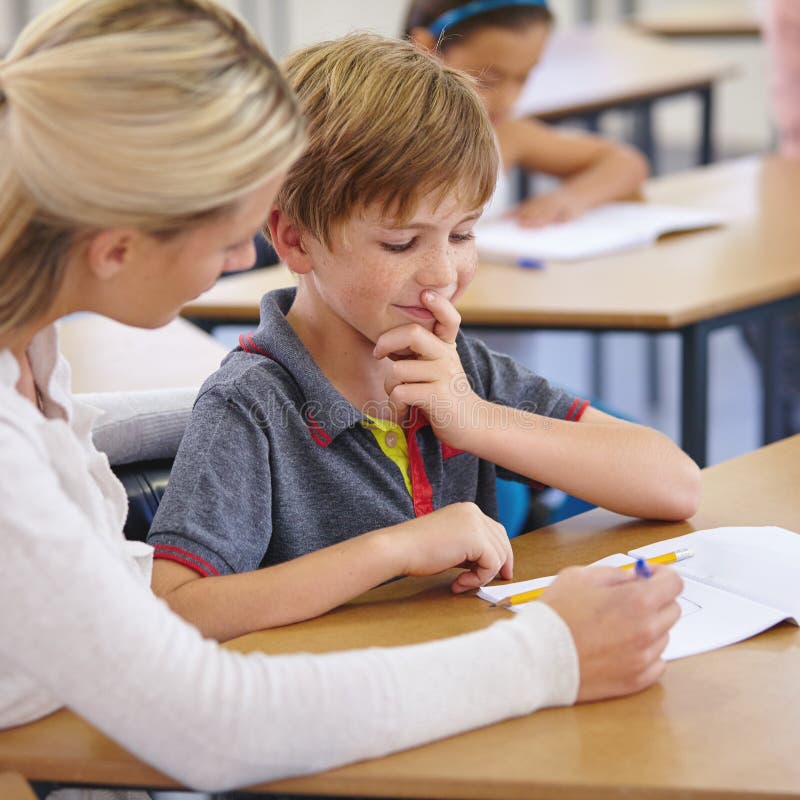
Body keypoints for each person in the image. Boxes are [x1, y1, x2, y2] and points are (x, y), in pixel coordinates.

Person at [0, 1, 684, 794]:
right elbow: (211, 722)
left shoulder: (31, 350)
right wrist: (552, 654)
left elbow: (60, 453)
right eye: (232, 234)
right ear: (116, 247)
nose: (239, 258)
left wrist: (262, 406)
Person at [147, 31, 699, 642]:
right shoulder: (251, 405)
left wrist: (477, 419)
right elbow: (175, 610)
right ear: (296, 240)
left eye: (462, 235)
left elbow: (674, 482)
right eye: (401, 243)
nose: (441, 274)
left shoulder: (458, 368)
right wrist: (393, 551)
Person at [403, 0, 649, 226]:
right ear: (426, 49)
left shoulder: (503, 133)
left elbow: (625, 163)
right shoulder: (384, 142)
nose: (508, 101)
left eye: (523, 77)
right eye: (487, 79)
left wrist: (569, 198)